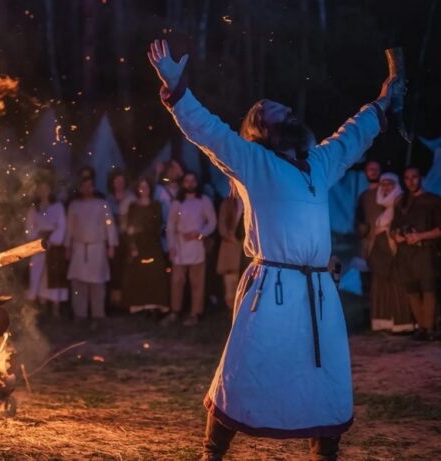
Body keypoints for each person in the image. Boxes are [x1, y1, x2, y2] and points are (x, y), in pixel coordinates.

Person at [148, 38, 401, 460]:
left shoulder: (318, 163)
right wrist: (177, 90)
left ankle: (324, 455)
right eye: (271, 109)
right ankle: (212, 452)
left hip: (318, 293)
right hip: (271, 290)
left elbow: (352, 136)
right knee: (244, 370)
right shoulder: (253, 162)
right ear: (259, 128)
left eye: (285, 107)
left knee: (325, 375)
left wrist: (382, 102)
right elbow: (208, 131)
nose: (284, 109)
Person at [392, 166, 441, 341]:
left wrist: (420, 236)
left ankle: (429, 328)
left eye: (414, 177)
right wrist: (397, 235)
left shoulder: (433, 200)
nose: (411, 181)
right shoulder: (402, 202)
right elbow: (395, 226)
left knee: (428, 289)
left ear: (421, 178)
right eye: (407, 178)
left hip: (425, 251)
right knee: (412, 290)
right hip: (406, 253)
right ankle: (422, 327)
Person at [164, 171, 216, 326]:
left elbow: (212, 222)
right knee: (177, 281)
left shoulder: (204, 200)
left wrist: (200, 234)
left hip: (197, 247)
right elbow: (170, 226)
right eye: (187, 181)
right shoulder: (177, 203)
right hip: (180, 246)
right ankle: (175, 311)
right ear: (183, 183)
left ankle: (195, 313)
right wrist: (171, 246)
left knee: (197, 282)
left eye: (193, 180)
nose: (190, 184)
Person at [65, 176, 118, 321]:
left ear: (93, 187)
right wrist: (68, 246)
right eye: (84, 186)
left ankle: (98, 314)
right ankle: (80, 315)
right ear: (80, 188)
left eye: (90, 186)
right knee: (79, 283)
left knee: (97, 283)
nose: (87, 189)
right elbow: (69, 228)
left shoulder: (102, 204)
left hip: (97, 248)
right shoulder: (74, 205)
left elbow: (109, 226)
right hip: (79, 248)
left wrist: (111, 245)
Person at [367, 173, 414, 333]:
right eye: (383, 184)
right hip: (382, 252)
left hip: (393, 250)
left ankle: (403, 323)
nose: (386, 188)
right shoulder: (385, 207)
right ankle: (385, 322)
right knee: (383, 287)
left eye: (389, 184)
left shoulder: (400, 203)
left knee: (397, 286)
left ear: (396, 185)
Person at [123, 177, 169, 312]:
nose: (144, 189)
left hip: (153, 242)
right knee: (140, 274)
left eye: (146, 187)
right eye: (141, 187)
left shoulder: (156, 205)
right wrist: (132, 245)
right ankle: (139, 304)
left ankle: (156, 304)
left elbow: (158, 223)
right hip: (139, 244)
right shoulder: (133, 207)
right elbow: (130, 227)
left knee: (155, 272)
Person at [25, 179, 69, 316]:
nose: (43, 192)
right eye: (40, 189)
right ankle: (41, 306)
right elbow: (29, 228)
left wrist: (51, 240)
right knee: (38, 274)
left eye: (46, 189)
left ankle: (55, 307)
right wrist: (37, 237)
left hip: (53, 246)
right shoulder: (34, 209)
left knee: (53, 275)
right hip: (38, 246)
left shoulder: (58, 207)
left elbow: (62, 226)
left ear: (50, 190)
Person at [106, 169, 135, 309]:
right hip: (112, 238)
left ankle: (127, 300)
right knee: (114, 269)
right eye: (116, 181)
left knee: (126, 268)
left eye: (121, 181)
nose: (119, 184)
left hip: (126, 238)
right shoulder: (108, 199)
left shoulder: (131, 198)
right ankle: (114, 301)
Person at [216, 181, 245, 310]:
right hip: (231, 246)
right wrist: (230, 236)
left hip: (244, 249)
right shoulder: (228, 203)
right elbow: (222, 224)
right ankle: (231, 307)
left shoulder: (251, 202)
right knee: (230, 279)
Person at [355, 160, 382, 297]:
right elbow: (358, 220)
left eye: (376, 169)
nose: (373, 172)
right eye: (370, 169)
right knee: (367, 284)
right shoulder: (364, 196)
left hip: (383, 245)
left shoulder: (387, 192)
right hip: (367, 245)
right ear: (366, 172)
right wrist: (361, 229)